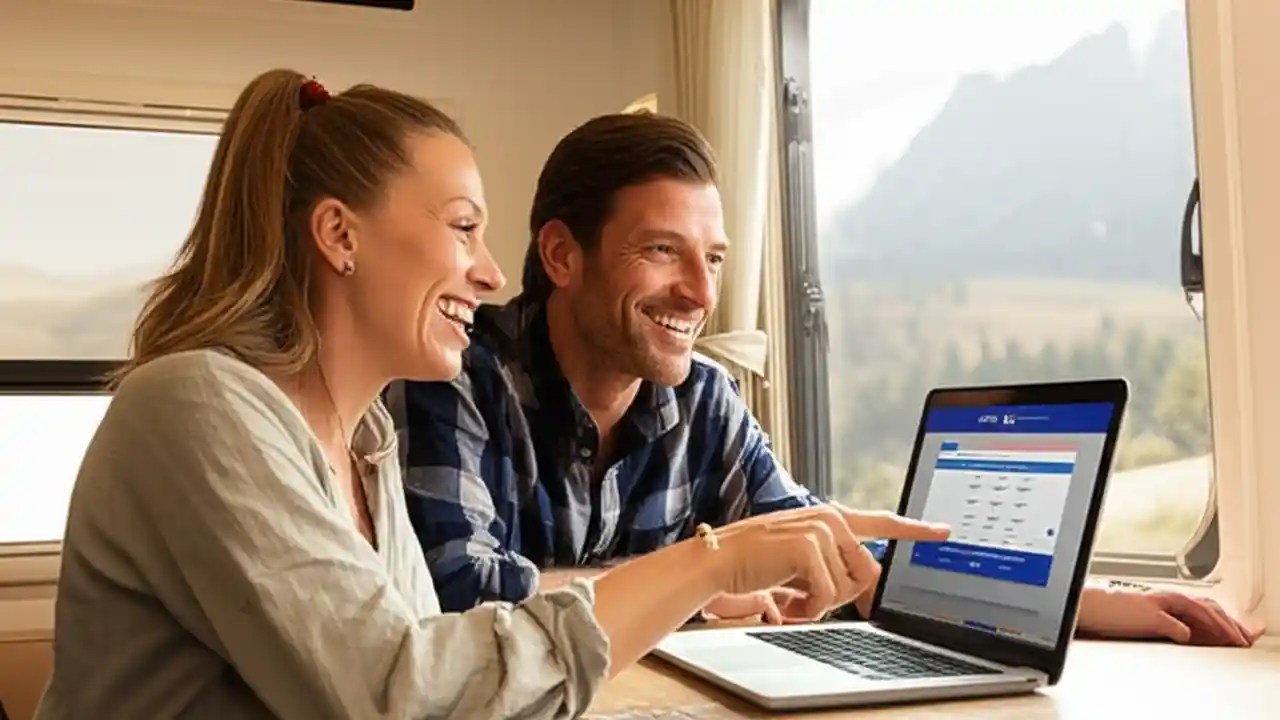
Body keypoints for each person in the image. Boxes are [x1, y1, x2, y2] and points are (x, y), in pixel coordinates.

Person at [36, 70, 949, 719]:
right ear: (338, 235)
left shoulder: (365, 449)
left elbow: (447, 668)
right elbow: (401, 692)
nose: (484, 270)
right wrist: (704, 568)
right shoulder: (198, 408)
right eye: (463, 227)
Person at [395, 111, 1260, 646]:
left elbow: (821, 551)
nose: (699, 293)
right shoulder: (455, 374)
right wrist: (701, 582)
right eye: (663, 251)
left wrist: (1089, 601)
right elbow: (460, 595)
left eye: (714, 258)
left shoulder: (702, 400)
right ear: (561, 254)